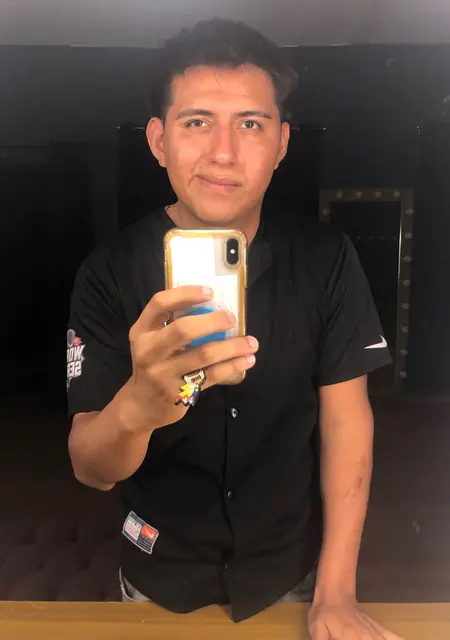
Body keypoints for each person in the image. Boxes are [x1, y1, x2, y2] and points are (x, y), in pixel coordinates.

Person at [67, 18, 402, 640]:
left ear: (281, 143)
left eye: (250, 124)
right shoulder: (108, 273)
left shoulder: (327, 259)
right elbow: (92, 467)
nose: (223, 152)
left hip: (291, 574)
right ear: (159, 140)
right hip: (156, 575)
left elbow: (347, 424)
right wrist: (136, 408)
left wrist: (336, 591)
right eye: (197, 122)